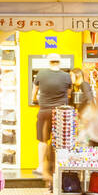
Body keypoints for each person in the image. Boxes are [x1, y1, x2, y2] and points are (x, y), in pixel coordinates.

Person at [31, 52, 72, 184]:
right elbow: (69, 95)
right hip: (60, 114)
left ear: (49, 62)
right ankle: (58, 166)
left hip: (44, 111)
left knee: (43, 140)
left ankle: (41, 166)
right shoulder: (66, 76)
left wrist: (36, 100)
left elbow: (34, 93)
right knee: (59, 142)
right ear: (59, 62)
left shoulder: (41, 74)